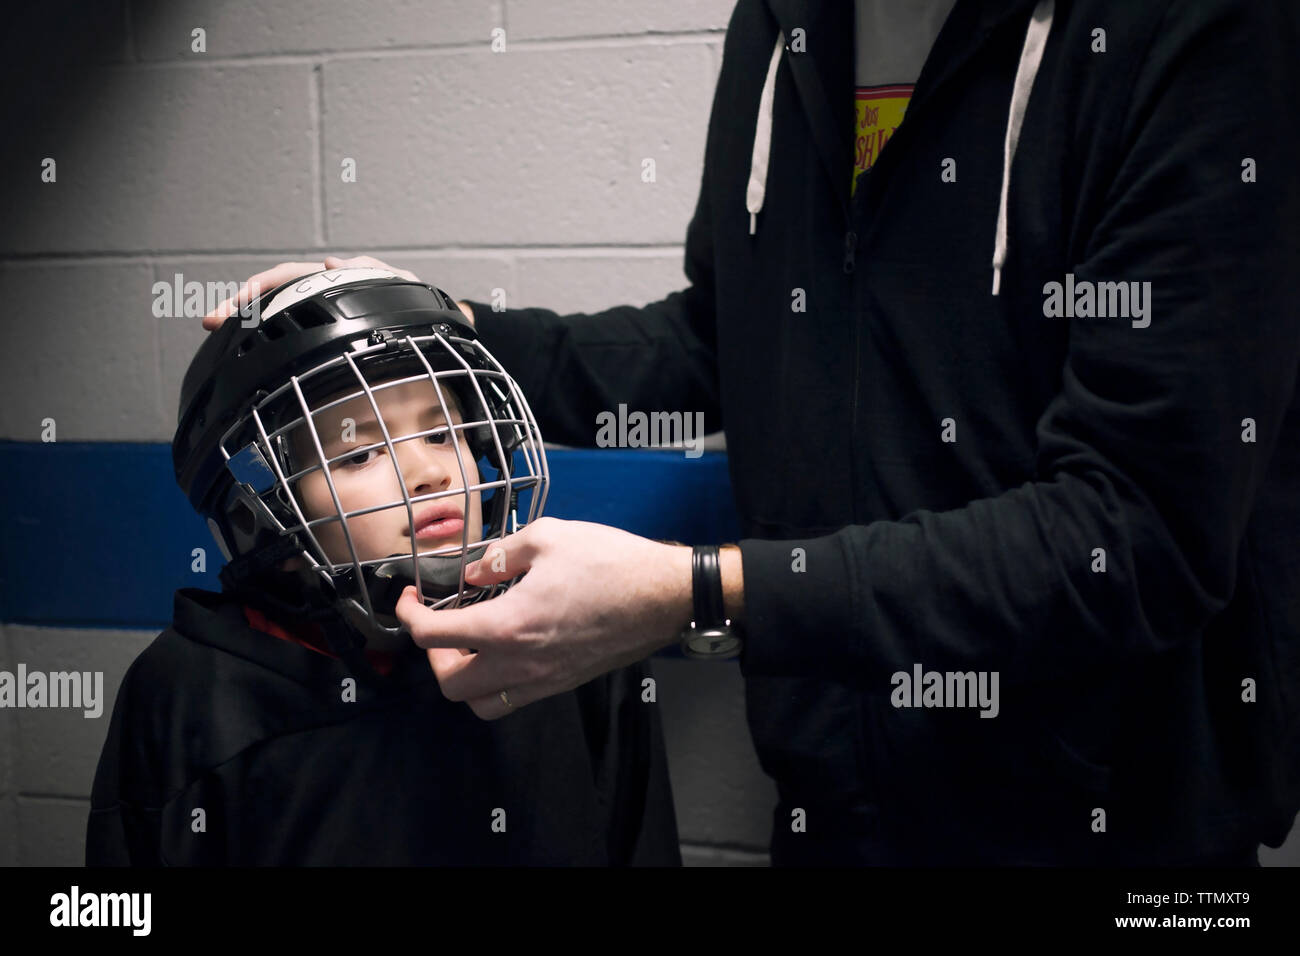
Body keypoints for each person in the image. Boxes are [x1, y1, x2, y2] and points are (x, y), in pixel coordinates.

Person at [206, 0, 1300, 866]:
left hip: (1113, 821)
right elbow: (721, 347)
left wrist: (695, 591)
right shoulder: (787, 26)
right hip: (837, 804)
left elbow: (1140, 529)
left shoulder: (1193, 29)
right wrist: (449, 326)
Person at [87, 270, 681, 866]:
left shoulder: (568, 634)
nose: (429, 472)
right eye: (361, 452)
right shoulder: (191, 693)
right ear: (267, 519)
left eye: (442, 432)